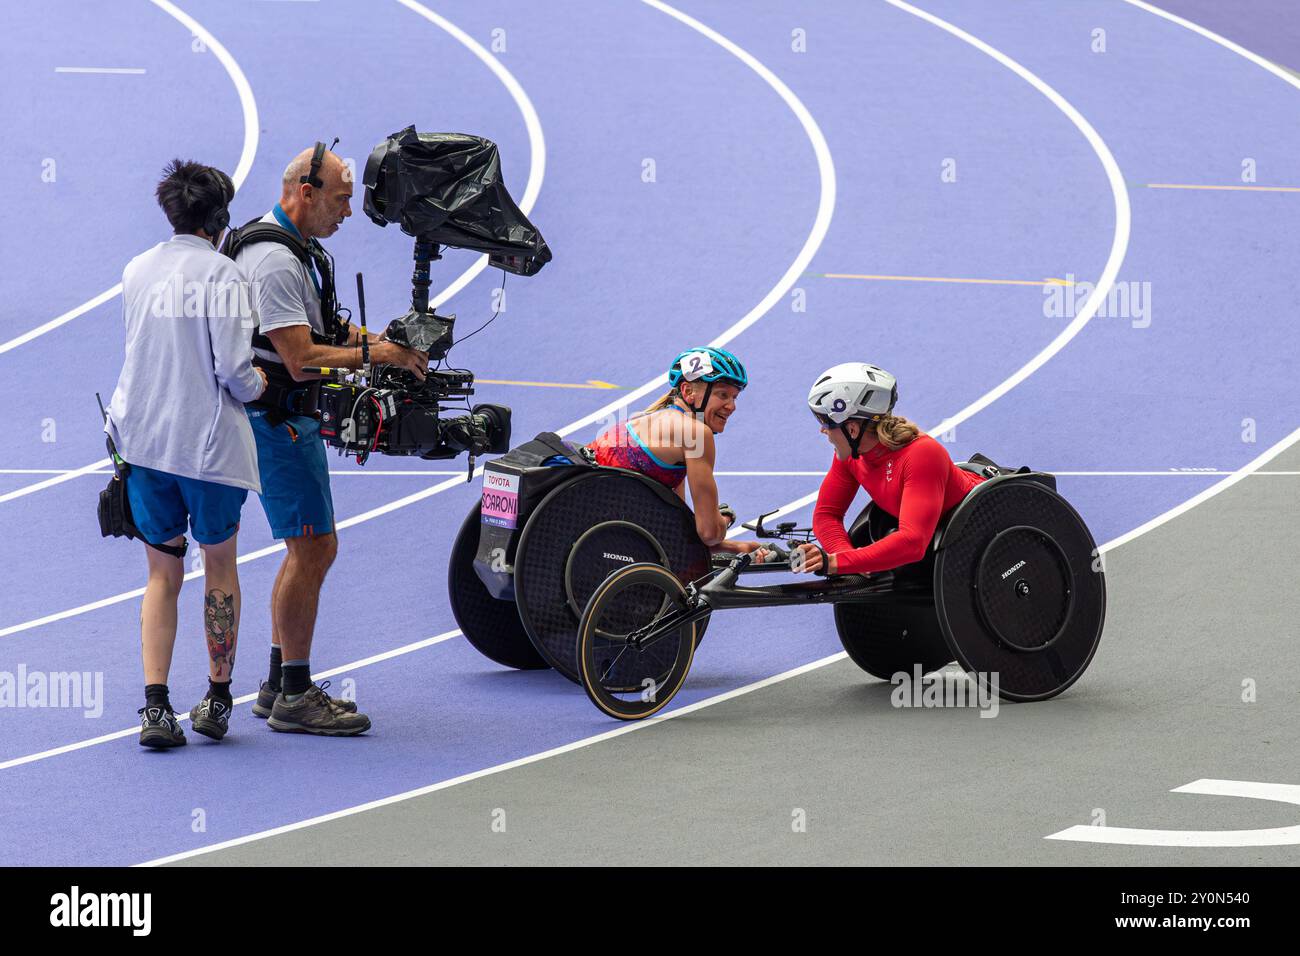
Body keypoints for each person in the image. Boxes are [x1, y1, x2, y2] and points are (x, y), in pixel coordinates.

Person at [227, 143, 427, 736]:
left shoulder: (304, 251)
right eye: (341, 200)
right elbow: (301, 357)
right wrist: (375, 354)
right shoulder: (274, 261)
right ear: (305, 192)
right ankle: (293, 693)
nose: (348, 212)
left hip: (286, 420)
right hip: (277, 422)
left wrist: (388, 345)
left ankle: (274, 683)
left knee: (305, 549)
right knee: (313, 548)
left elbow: (329, 326)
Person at [104, 159, 268, 748]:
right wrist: (260, 388)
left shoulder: (136, 269)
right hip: (207, 448)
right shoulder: (224, 275)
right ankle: (218, 699)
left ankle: (155, 706)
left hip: (144, 442)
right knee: (219, 565)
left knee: (161, 573)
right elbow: (233, 370)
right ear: (220, 218)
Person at [791, 362, 985, 575]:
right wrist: (848, 560)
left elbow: (913, 543)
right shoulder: (850, 456)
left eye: (826, 423)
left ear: (852, 429)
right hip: (941, 541)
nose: (822, 430)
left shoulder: (922, 454)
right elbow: (826, 515)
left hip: (984, 527)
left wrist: (835, 562)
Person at [587, 347, 765, 556]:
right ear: (689, 392)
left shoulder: (649, 420)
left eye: (734, 397)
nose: (731, 406)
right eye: (722, 395)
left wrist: (739, 547)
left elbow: (677, 525)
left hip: (591, 517)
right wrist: (724, 519)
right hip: (614, 531)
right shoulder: (696, 433)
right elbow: (710, 533)